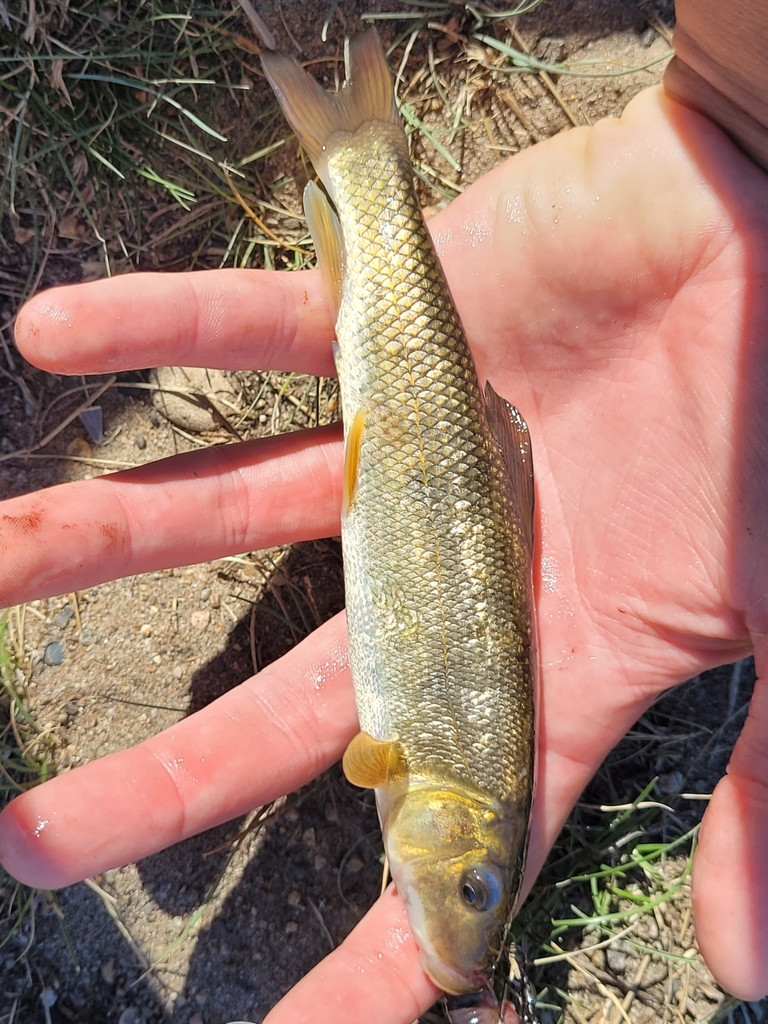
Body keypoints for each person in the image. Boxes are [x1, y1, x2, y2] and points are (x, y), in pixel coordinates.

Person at [2, 0, 768, 1018]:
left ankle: (361, 161)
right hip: (430, 449)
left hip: (421, 455)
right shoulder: (443, 768)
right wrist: (742, 112)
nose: (463, 904)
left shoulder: (434, 775)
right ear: (466, 835)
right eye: (474, 886)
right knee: (375, 272)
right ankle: (367, 158)